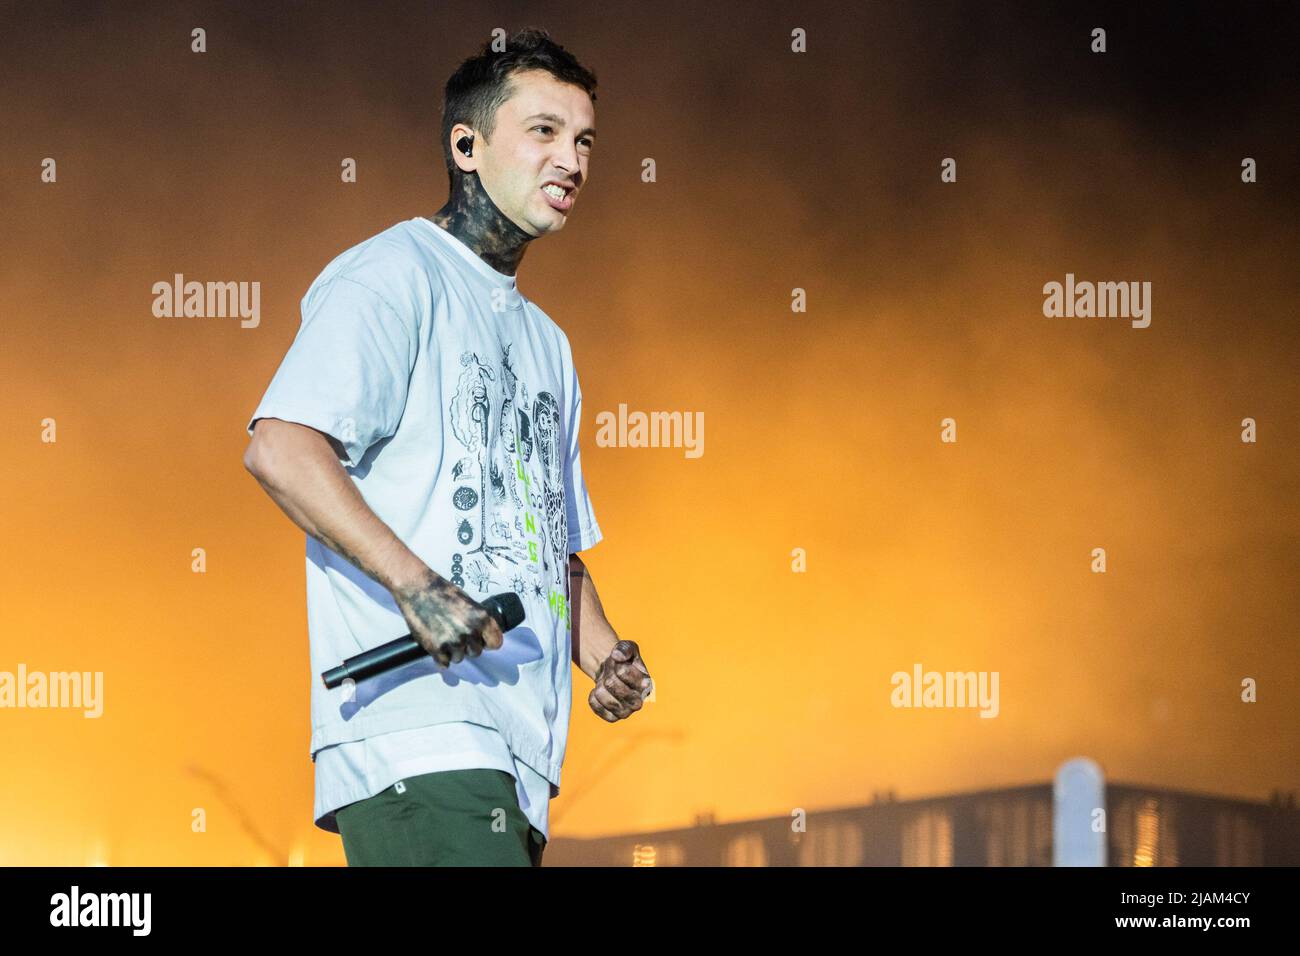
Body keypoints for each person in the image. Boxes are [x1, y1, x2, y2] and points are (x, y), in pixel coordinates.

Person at [242, 27, 653, 867]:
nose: (571, 159)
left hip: (517, 756)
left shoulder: (551, 345)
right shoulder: (392, 275)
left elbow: (552, 546)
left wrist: (605, 651)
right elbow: (281, 447)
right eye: (543, 131)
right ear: (465, 144)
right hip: (416, 729)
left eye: (583, 140)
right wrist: (418, 588)